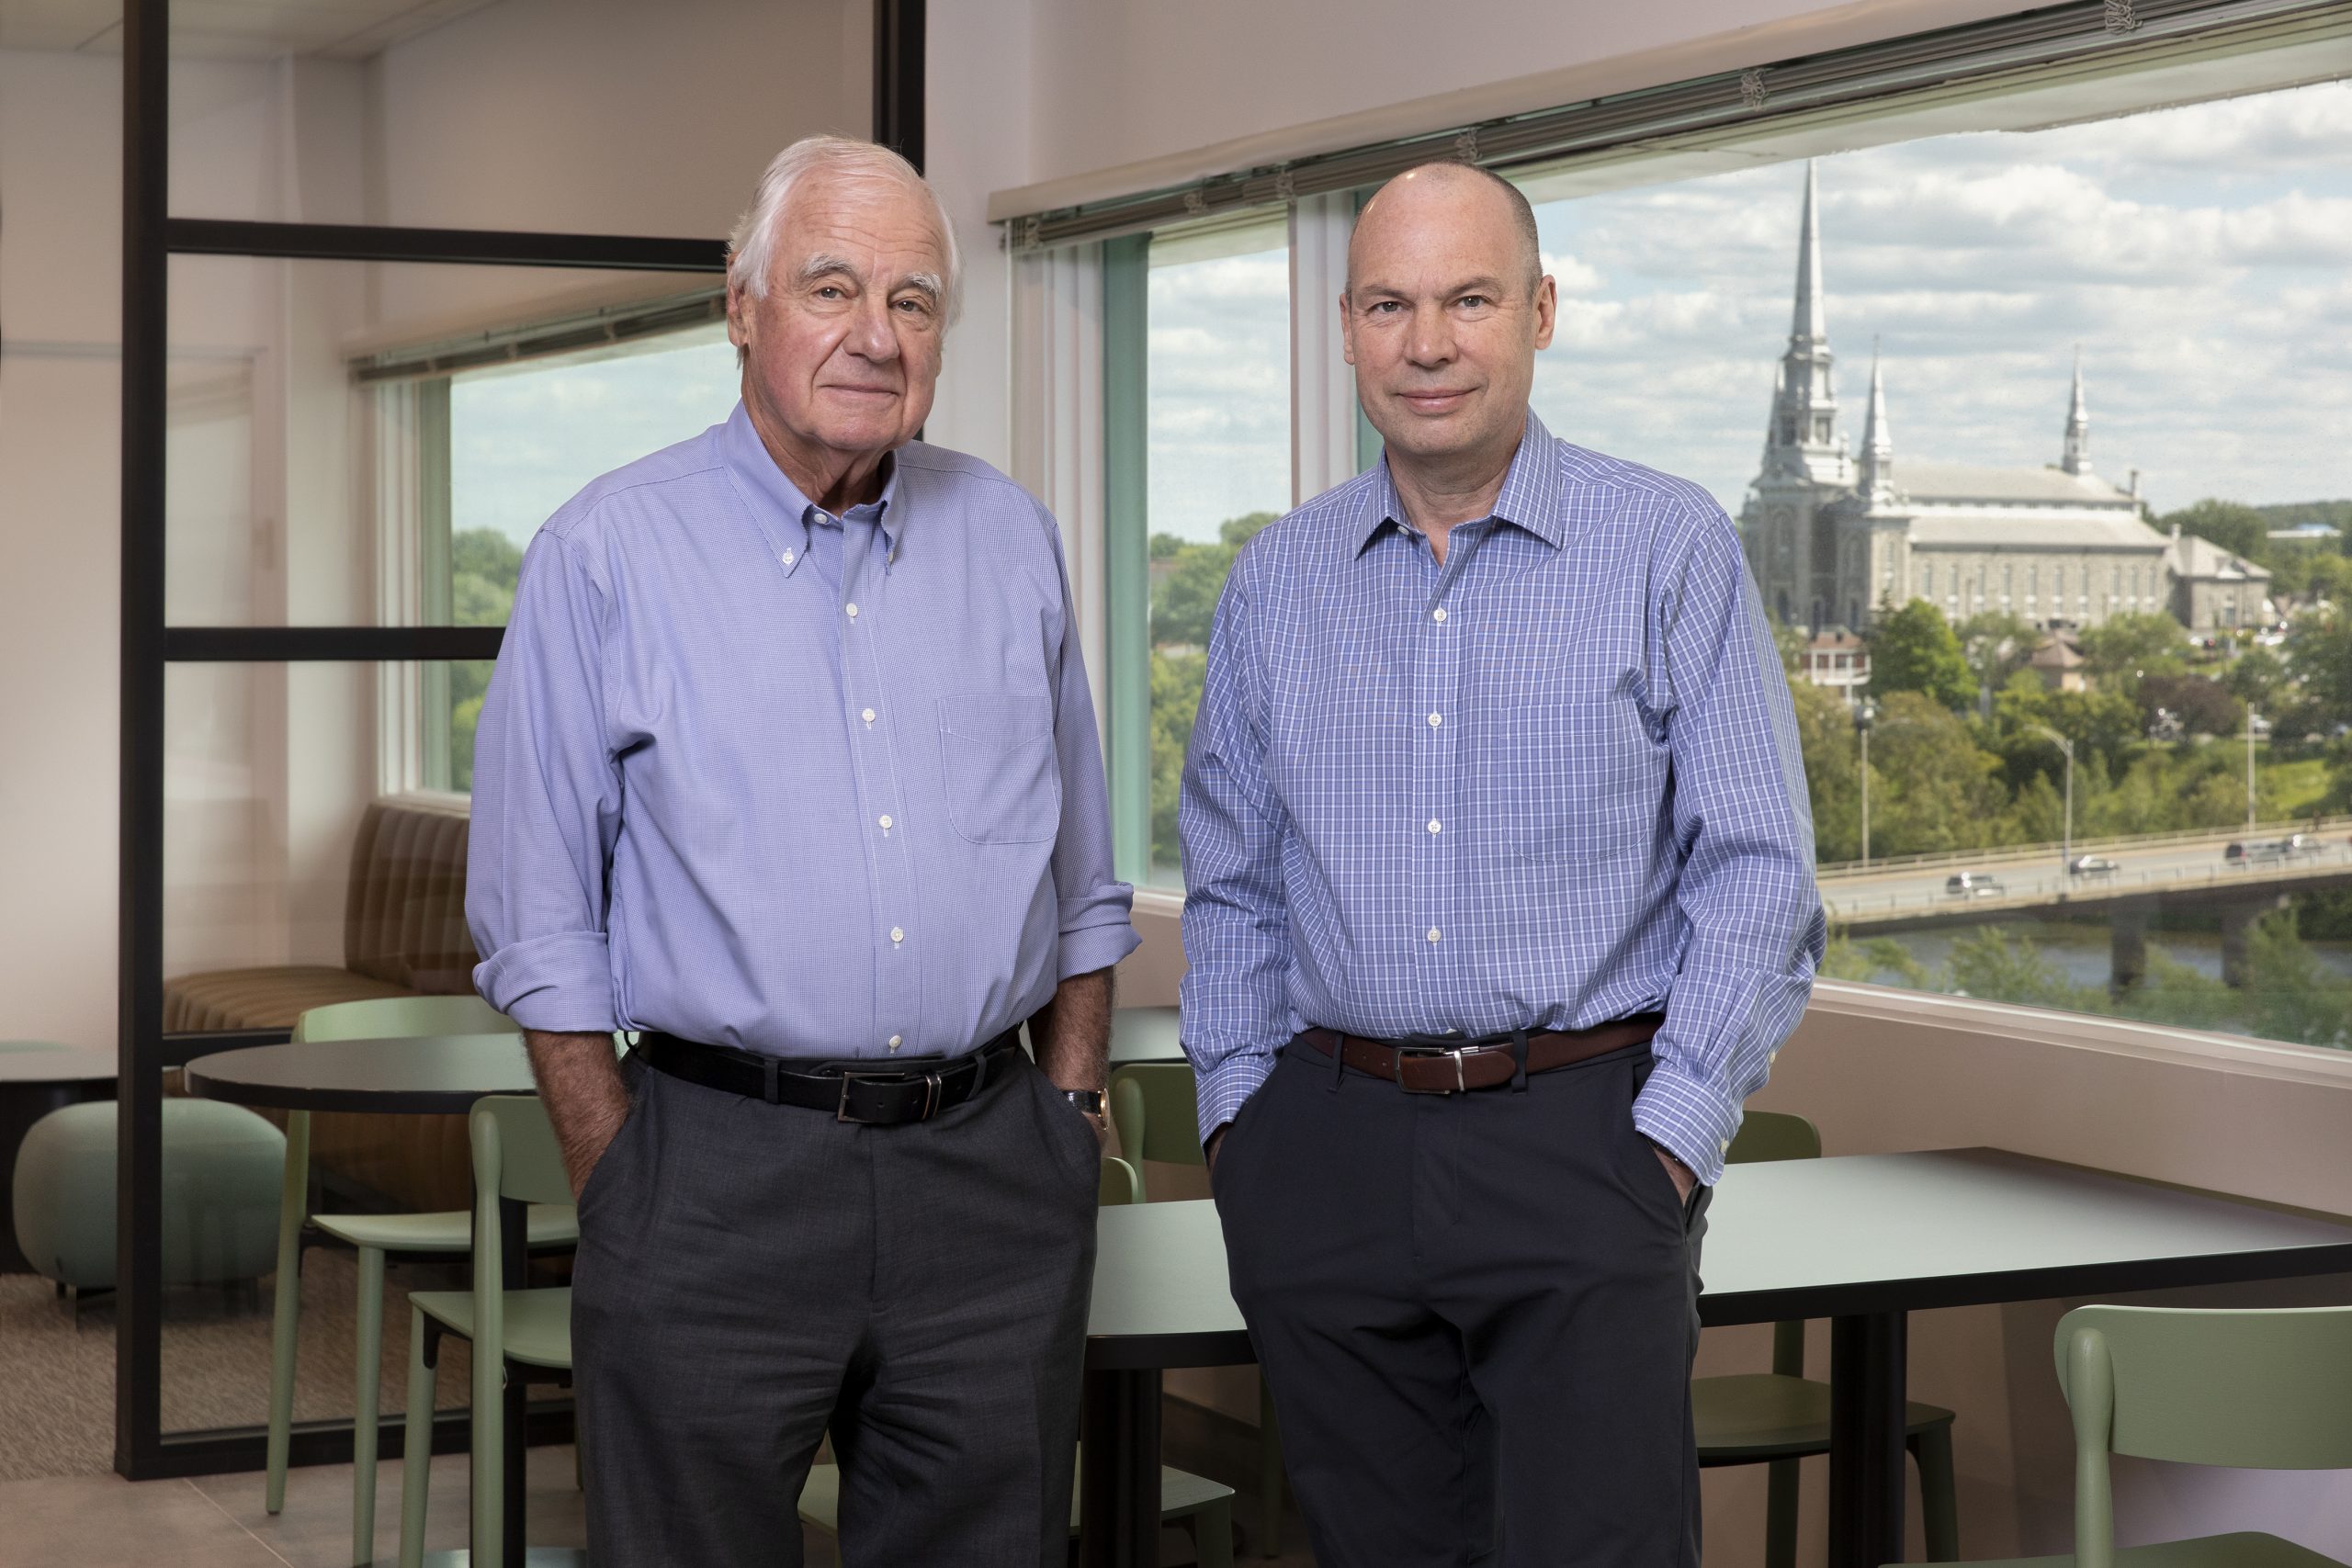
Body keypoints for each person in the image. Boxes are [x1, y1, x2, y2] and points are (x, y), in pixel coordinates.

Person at [466, 134, 1137, 1568]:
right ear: (741, 306)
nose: (873, 335)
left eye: (913, 301)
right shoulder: (604, 556)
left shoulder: (1012, 539)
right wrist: (620, 1170)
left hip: (990, 1178)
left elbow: (1085, 880)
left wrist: (1066, 1112)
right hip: (709, 1175)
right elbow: (538, 923)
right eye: (831, 286)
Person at [1179, 161, 1826, 1566]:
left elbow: (1762, 874)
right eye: (1392, 305)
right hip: (1326, 1156)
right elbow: (1230, 883)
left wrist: (1669, 1138)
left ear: (1539, 312)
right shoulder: (1274, 584)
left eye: (1469, 300)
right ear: (1346, 328)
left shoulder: (1668, 548)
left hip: (1586, 1145)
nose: (1428, 344)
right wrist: (1243, 1129)